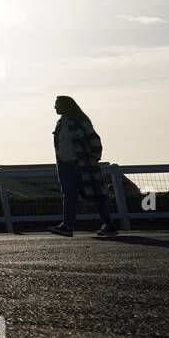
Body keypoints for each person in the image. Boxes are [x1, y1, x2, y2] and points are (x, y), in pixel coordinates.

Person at [47, 96, 118, 237]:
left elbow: (94, 140)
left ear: (65, 105)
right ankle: (68, 225)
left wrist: (93, 157)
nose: (55, 107)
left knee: (93, 194)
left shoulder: (77, 121)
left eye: (57, 104)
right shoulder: (62, 122)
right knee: (73, 194)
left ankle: (106, 225)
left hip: (79, 163)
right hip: (66, 164)